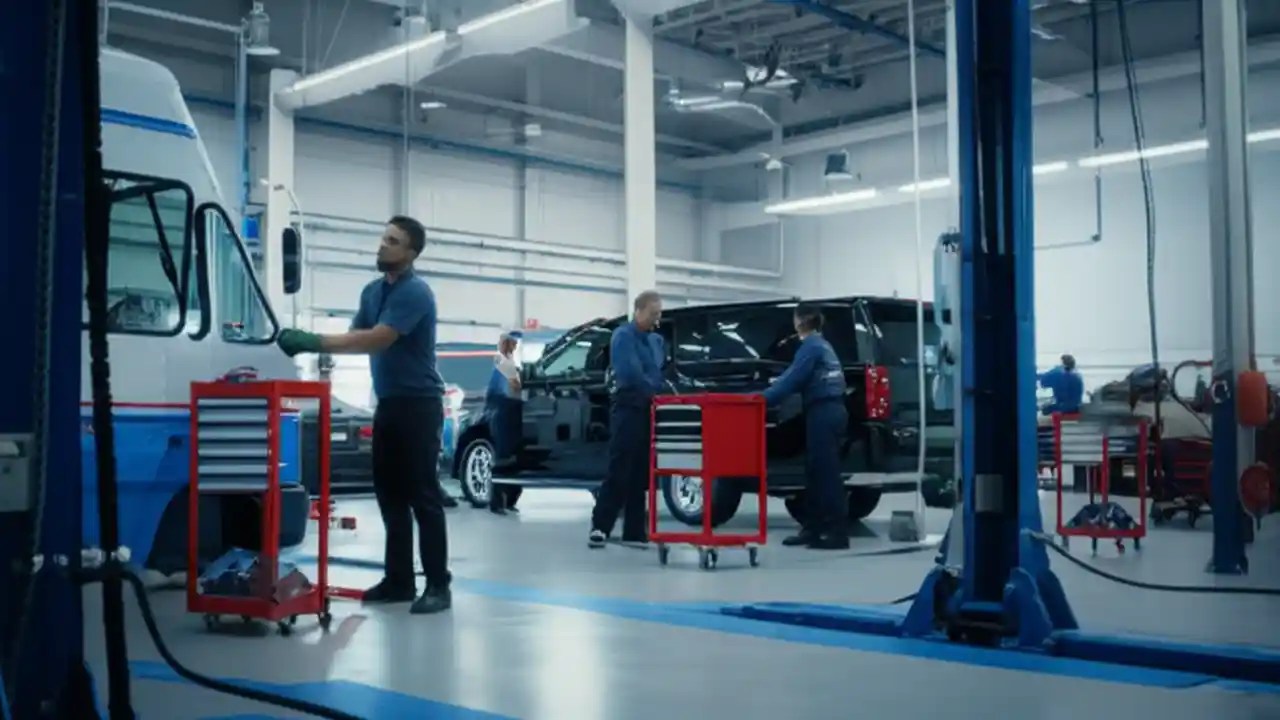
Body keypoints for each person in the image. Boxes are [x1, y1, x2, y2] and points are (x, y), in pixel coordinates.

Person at [276, 215, 451, 615]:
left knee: (422, 496)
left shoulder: (416, 293)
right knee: (389, 495)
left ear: (410, 253)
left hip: (420, 405)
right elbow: (356, 336)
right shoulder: (372, 292)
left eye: (393, 241)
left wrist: (313, 339)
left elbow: (376, 339)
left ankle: (439, 585)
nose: (382, 245)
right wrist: (318, 352)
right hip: (388, 403)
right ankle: (400, 581)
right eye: (383, 238)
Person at [762, 304, 849, 550]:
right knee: (815, 471)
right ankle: (813, 528)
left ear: (798, 321)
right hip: (827, 410)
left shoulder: (810, 347)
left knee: (826, 473)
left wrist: (760, 400)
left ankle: (836, 533)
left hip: (824, 410)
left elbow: (791, 380)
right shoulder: (822, 344)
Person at [589, 290, 665, 548]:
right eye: (654, 314)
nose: (658, 319)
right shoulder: (622, 336)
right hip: (627, 408)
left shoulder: (654, 341)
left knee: (640, 472)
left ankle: (634, 530)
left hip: (647, 410)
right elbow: (629, 374)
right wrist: (652, 388)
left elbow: (657, 373)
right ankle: (601, 526)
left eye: (659, 314)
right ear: (639, 311)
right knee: (619, 467)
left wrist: (653, 388)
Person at [486, 328, 524, 515]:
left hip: (507, 410)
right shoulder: (504, 361)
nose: (515, 345)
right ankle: (497, 502)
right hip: (503, 412)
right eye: (513, 342)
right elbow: (515, 384)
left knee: (509, 459)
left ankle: (508, 500)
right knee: (503, 458)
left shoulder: (506, 361)